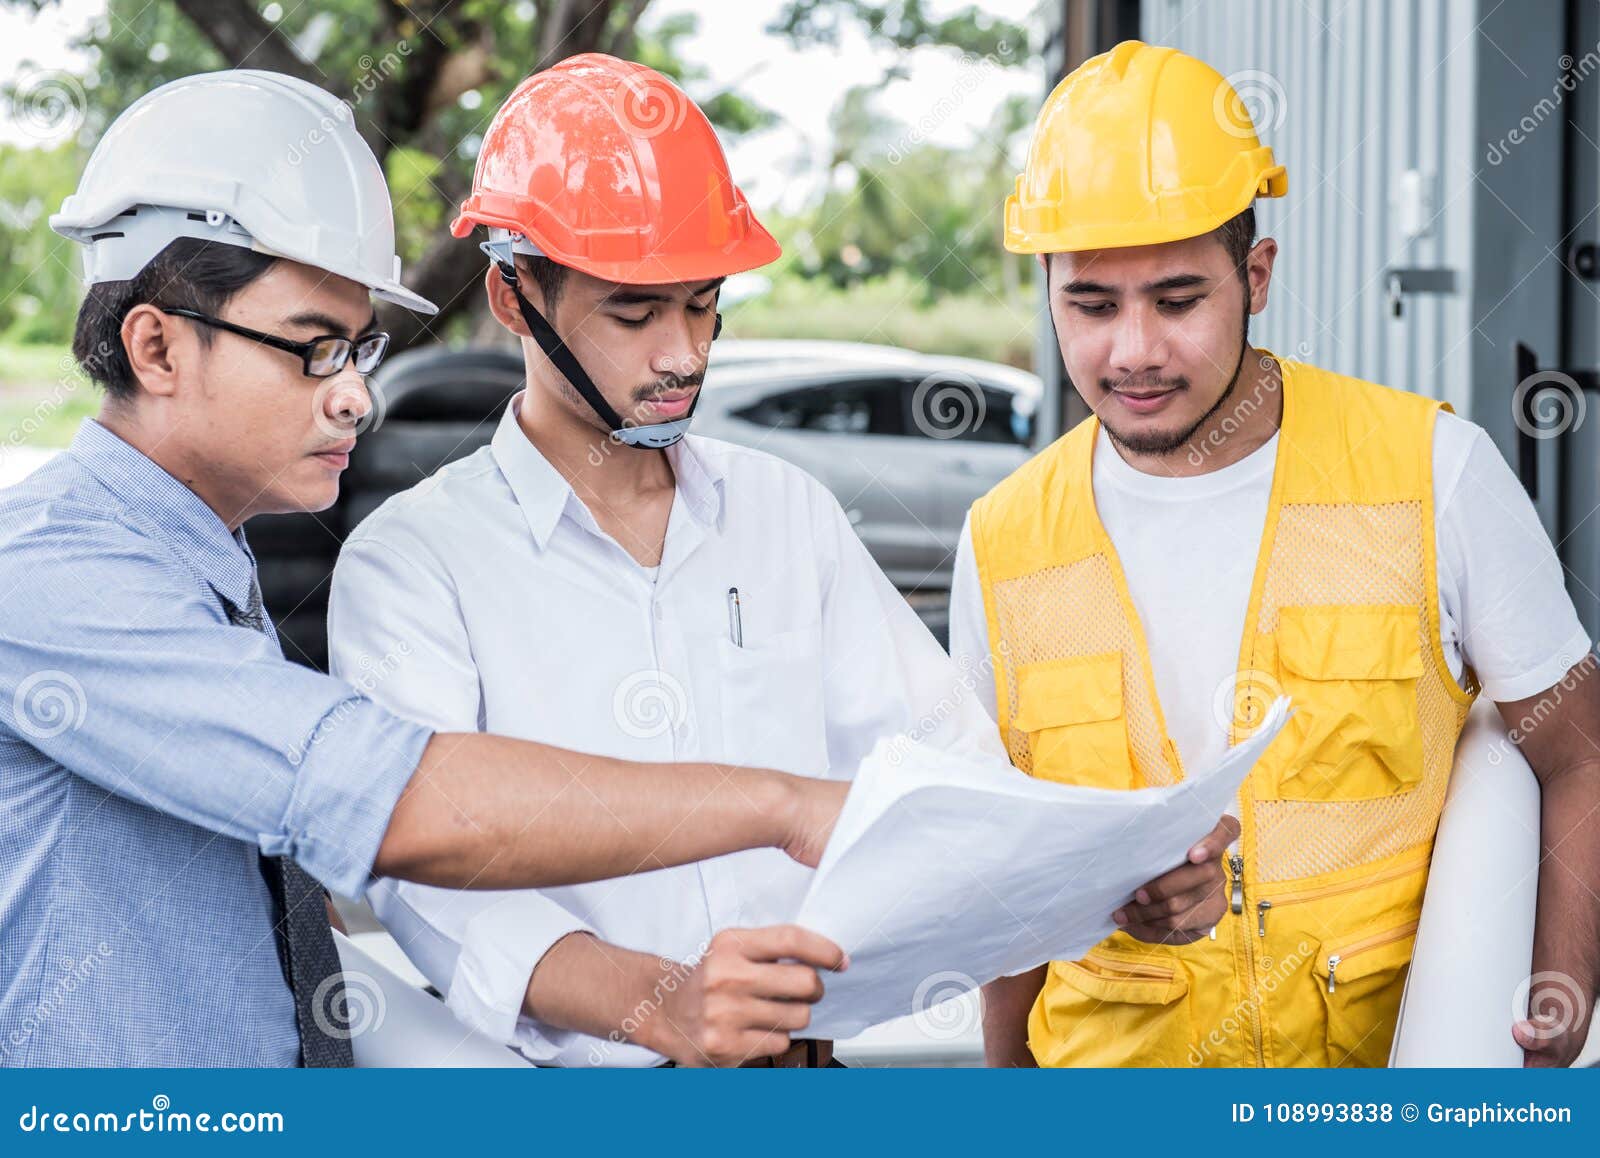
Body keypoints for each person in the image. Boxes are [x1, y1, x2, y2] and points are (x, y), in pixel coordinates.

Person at [327, 54, 1238, 1068]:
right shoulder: (413, 567)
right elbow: (418, 874)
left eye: (702, 304)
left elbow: (944, 776)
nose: (683, 353)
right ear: (512, 293)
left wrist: (1118, 882)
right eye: (635, 313)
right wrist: (655, 1004)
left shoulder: (784, 515)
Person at [0, 69, 844, 1069]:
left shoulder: (199, 568)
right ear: (156, 347)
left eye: (359, 348)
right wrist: (778, 804)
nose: (357, 398)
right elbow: (404, 802)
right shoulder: (53, 578)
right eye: (315, 351)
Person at [959, 40, 1600, 1068]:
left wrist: (1552, 1027)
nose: (1131, 351)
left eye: (1175, 300)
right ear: (1045, 286)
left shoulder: (1431, 471)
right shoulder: (1003, 538)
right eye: (1089, 304)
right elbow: (995, 866)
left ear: (1253, 275)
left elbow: (1580, 756)